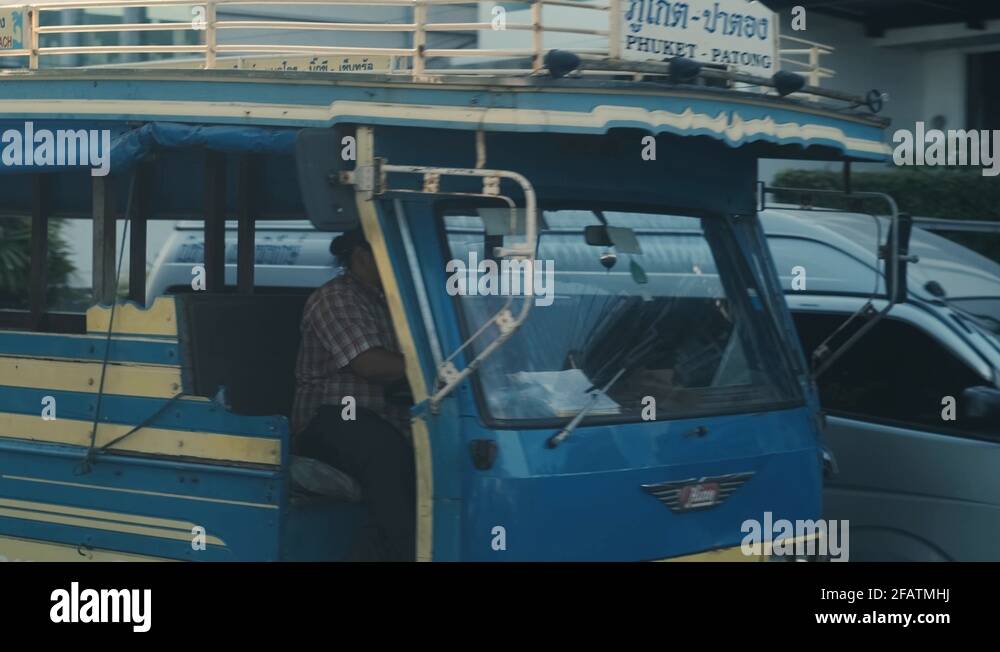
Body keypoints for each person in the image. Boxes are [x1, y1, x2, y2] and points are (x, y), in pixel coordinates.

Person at [291, 227, 415, 561]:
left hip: (386, 417)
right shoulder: (337, 298)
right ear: (361, 255)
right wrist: (432, 368)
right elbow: (370, 364)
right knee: (386, 454)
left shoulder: (390, 301)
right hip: (330, 419)